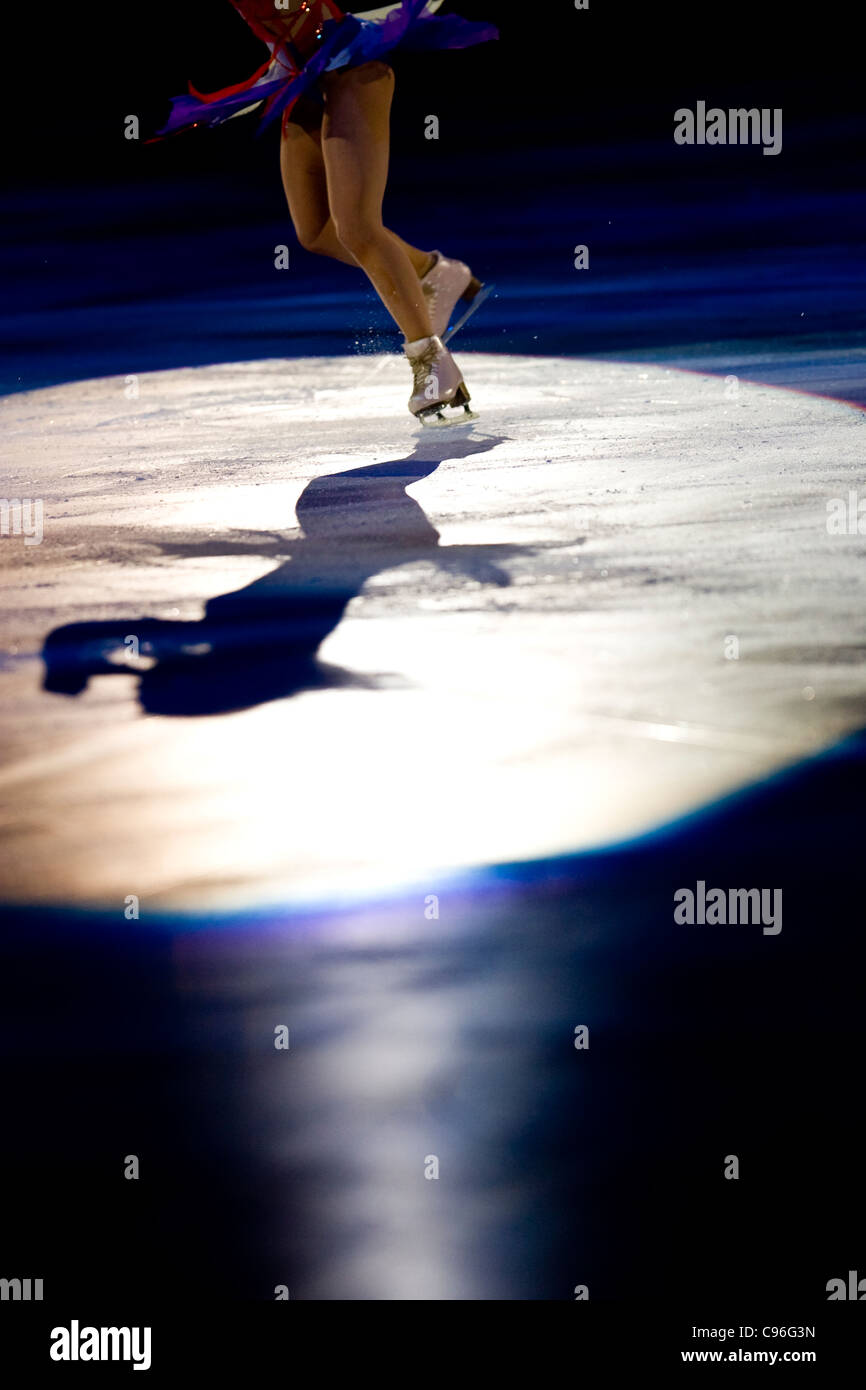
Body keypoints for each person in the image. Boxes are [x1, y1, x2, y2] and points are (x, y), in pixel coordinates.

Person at [157, 1, 498, 423]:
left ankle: (431, 365)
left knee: (357, 226)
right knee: (317, 230)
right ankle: (435, 273)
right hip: (300, 79)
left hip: (350, 65)